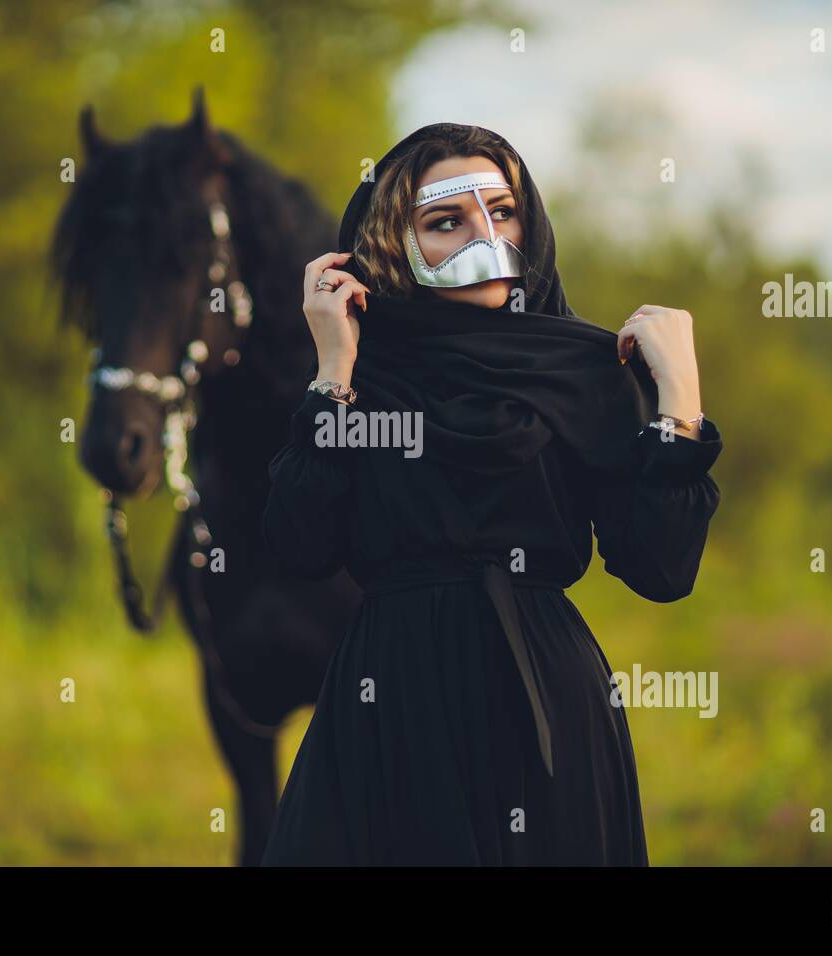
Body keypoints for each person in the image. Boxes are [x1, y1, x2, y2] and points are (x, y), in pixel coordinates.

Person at [259, 122, 722, 865]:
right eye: (446, 221)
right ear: (388, 245)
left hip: (546, 696)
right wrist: (333, 370)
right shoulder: (358, 377)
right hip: (388, 699)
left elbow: (663, 571)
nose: (486, 234)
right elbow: (298, 548)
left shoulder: (587, 369)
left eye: (502, 212)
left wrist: (680, 402)